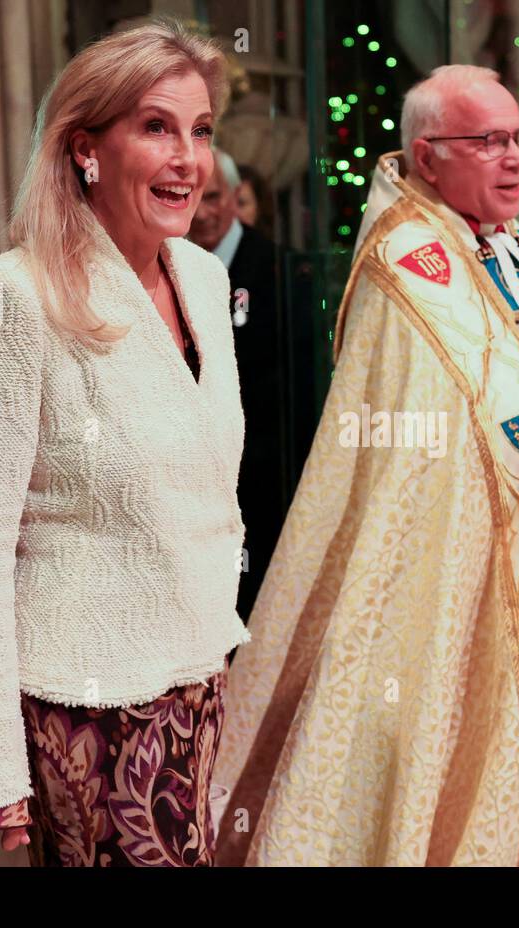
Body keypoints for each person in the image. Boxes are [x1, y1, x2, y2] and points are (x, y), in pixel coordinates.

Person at [215, 64, 519, 866]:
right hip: (448, 580)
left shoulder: (504, 243)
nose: (513, 158)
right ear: (428, 155)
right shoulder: (407, 264)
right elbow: (444, 442)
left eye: (518, 138)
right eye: (489, 141)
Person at [0, 20, 248, 867]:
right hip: (86, 701)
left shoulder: (207, 282)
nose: (189, 158)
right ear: (84, 150)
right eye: (156, 127)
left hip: (198, 679)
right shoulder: (12, 299)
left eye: (201, 130)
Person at [190, 148, 314, 618]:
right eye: (194, 197)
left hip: (264, 483)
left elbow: (297, 389)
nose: (202, 212)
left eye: (215, 197)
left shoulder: (282, 271)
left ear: (238, 196)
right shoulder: (160, 268)